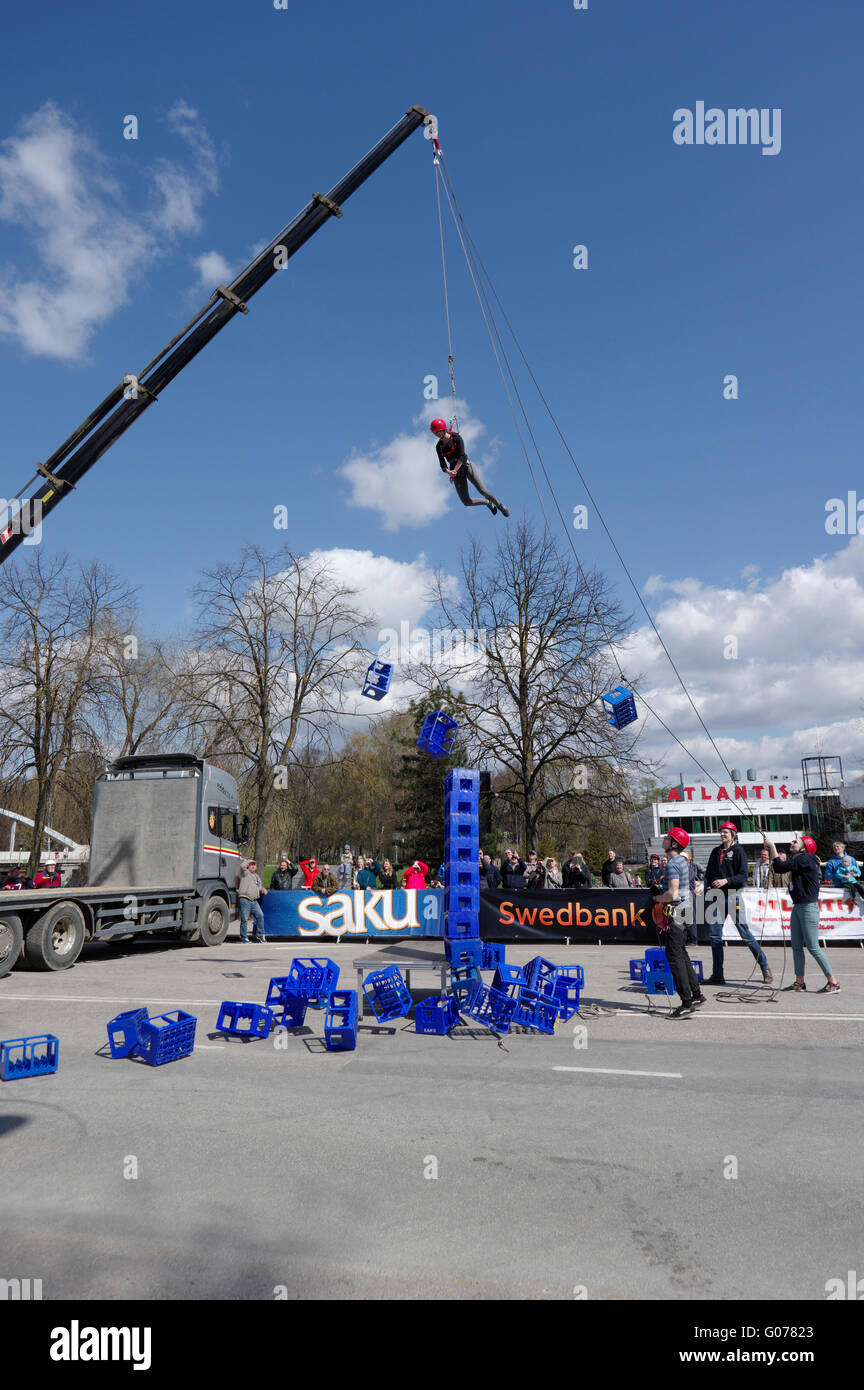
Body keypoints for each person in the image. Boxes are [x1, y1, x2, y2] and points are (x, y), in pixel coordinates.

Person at [763, 830, 839, 993]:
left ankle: (833, 983)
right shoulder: (799, 860)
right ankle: (799, 982)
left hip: (808, 907)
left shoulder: (807, 858)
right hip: (798, 907)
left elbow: (779, 866)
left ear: (804, 848)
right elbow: (780, 867)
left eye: (795, 842)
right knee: (796, 946)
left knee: (813, 947)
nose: (792, 843)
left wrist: (772, 847)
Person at [703, 821, 772, 985]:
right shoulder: (716, 851)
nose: (722, 834)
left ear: (733, 833)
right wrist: (704, 884)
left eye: (726, 832)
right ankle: (717, 975)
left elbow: (742, 876)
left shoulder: (739, 851)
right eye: (721, 832)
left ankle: (765, 967)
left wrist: (726, 880)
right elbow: (709, 873)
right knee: (715, 937)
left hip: (733, 896)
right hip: (716, 897)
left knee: (745, 934)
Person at [652, 827, 705, 1018]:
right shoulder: (681, 861)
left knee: (674, 957)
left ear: (673, 843)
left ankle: (686, 1003)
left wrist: (657, 898)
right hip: (685, 911)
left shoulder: (673, 863)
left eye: (667, 837)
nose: (664, 839)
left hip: (676, 913)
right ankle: (697, 994)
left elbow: (672, 894)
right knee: (681, 953)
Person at [429, 419, 509, 517]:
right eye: (434, 433)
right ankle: (487, 503)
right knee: (466, 502)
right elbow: (442, 464)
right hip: (456, 473)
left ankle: (499, 505)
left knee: (482, 490)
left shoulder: (456, 438)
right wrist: (449, 472)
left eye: (437, 431)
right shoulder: (439, 446)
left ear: (443, 430)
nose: (436, 434)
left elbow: (462, 456)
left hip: (466, 466)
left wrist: (454, 471)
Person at [236, 858, 267, 943]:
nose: (253, 866)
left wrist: (262, 889)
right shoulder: (245, 873)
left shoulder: (257, 876)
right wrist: (248, 861)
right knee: (245, 919)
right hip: (245, 899)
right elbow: (242, 866)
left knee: (260, 915)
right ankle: (244, 937)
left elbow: (259, 886)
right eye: (251, 864)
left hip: (254, 901)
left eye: (254, 865)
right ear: (248, 866)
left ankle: (260, 935)